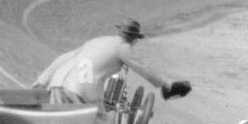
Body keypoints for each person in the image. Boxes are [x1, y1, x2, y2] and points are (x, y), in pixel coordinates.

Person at [33, 18, 191, 110]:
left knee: (55, 123)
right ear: (134, 38)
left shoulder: (97, 41)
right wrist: (166, 85)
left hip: (58, 84)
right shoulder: (122, 48)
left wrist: (41, 80)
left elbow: (64, 57)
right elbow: (144, 69)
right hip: (79, 91)